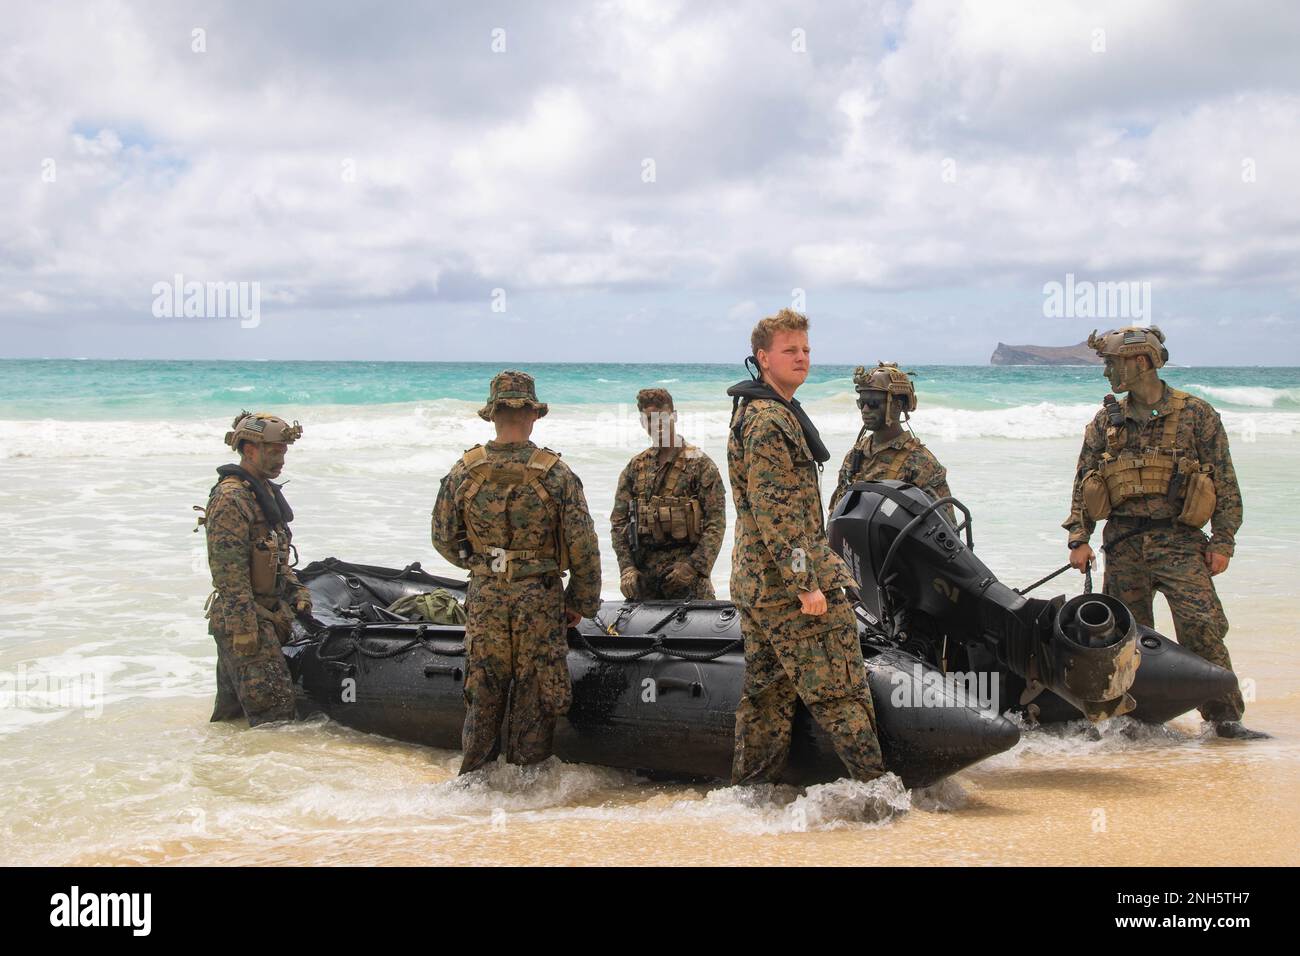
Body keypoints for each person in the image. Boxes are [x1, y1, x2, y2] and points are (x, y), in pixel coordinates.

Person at [1064, 326, 1267, 739]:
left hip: (1180, 544)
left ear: (1140, 362)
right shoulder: (1106, 421)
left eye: (1112, 363)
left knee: (1202, 628)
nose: (1106, 372)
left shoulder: (1196, 415)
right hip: (1123, 545)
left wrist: (1224, 541)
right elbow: (1084, 480)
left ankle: (1225, 720)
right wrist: (1079, 538)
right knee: (1125, 642)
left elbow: (1225, 483)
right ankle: (1133, 725)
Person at [725, 309, 886, 784]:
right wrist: (805, 583)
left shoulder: (764, 412)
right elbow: (778, 514)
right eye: (790, 350)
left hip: (757, 581)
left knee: (766, 695)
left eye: (806, 350)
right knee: (842, 690)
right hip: (786, 585)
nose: (801, 358)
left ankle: (751, 799)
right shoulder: (769, 420)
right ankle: (881, 796)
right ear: (763, 358)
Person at [431, 370, 602, 773]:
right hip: (538, 598)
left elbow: (442, 537)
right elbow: (583, 547)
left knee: (483, 689)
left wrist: (482, 565)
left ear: (492, 415)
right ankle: (528, 789)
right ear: (533, 416)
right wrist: (579, 602)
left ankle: (474, 780)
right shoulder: (556, 474)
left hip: (486, 597)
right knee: (536, 691)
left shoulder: (463, 472)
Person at [202, 410, 310, 727]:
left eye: (284, 452)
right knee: (275, 721)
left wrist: (296, 590)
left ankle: (217, 769)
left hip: (262, 615)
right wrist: (246, 631)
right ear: (250, 450)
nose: (282, 460)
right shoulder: (231, 498)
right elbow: (228, 573)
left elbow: (274, 557)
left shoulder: (261, 494)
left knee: (231, 721)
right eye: (275, 452)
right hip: (247, 622)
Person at [609, 387, 726, 600]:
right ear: (643, 422)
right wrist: (626, 568)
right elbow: (618, 523)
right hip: (644, 584)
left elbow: (715, 524)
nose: (657, 424)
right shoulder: (635, 468)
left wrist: (694, 567)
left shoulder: (700, 464)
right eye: (650, 419)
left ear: (674, 416)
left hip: (688, 582)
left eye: (662, 417)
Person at [828, 362, 953, 523]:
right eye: (862, 402)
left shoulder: (921, 463)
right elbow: (836, 513)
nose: (865, 409)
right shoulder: (855, 456)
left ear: (897, 405)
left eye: (873, 402)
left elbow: (945, 529)